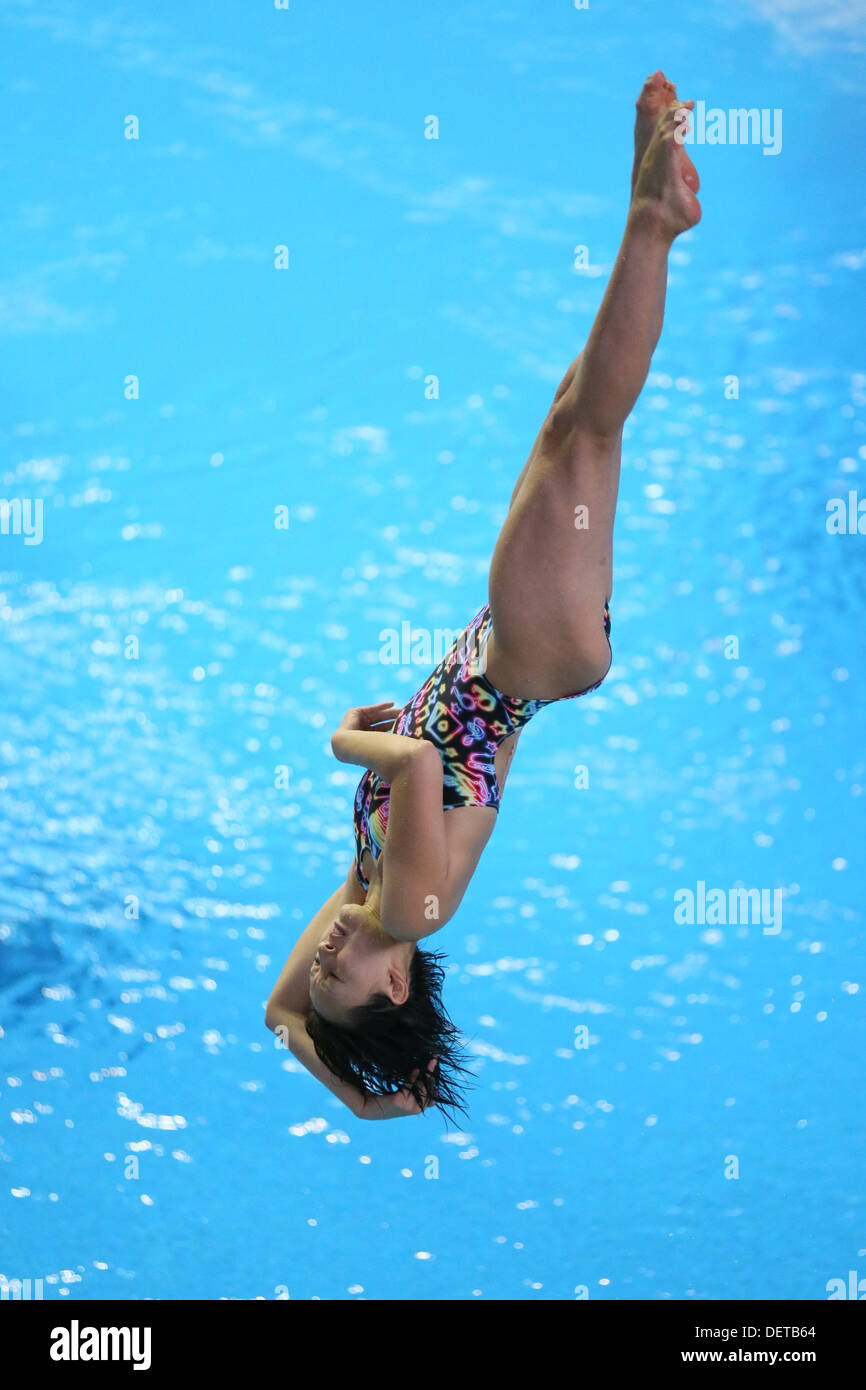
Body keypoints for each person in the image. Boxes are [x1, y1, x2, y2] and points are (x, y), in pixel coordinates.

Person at [265, 72, 701, 1123]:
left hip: (524, 644)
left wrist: (360, 1098)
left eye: (323, 972)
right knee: (585, 432)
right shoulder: (411, 900)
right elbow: (412, 757)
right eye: (347, 982)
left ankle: (645, 211)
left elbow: (278, 1016)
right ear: (397, 982)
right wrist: (339, 740)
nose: (323, 963)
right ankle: (655, 220)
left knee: (570, 417)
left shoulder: (369, 899)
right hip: (531, 652)